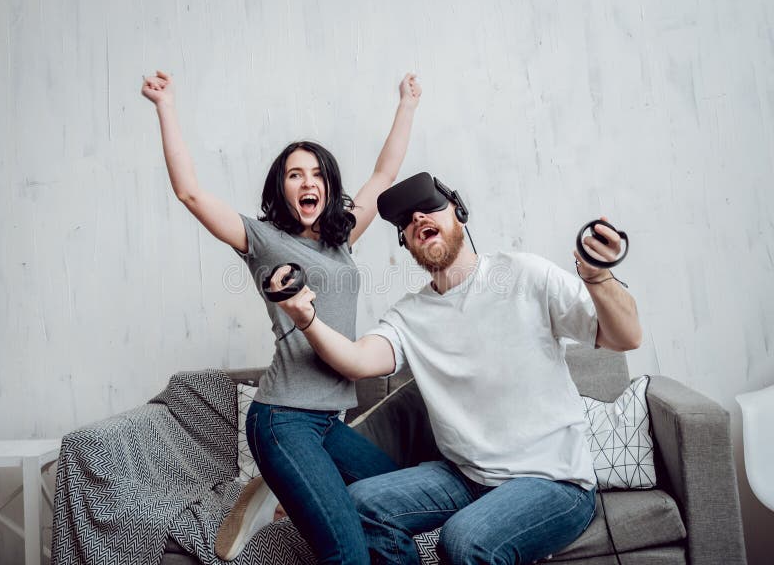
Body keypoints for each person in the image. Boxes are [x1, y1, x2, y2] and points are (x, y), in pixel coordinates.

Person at [268, 172, 642, 564]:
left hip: (553, 481)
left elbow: (625, 337)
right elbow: (357, 361)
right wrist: (306, 318)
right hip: (467, 477)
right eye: (406, 220)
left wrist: (598, 275)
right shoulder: (410, 316)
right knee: (362, 504)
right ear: (407, 242)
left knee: (464, 540)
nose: (416, 219)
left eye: (429, 207)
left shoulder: (524, 275)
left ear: (459, 214)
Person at [140, 71, 422, 564]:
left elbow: (383, 176)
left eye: (317, 174)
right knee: (347, 555)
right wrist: (166, 106)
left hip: (327, 424)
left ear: (329, 186)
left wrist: (407, 104)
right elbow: (190, 194)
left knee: (392, 500)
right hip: (282, 420)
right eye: (295, 174)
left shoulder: (340, 237)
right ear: (282, 187)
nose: (307, 182)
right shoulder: (265, 239)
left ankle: (281, 497)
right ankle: (283, 487)